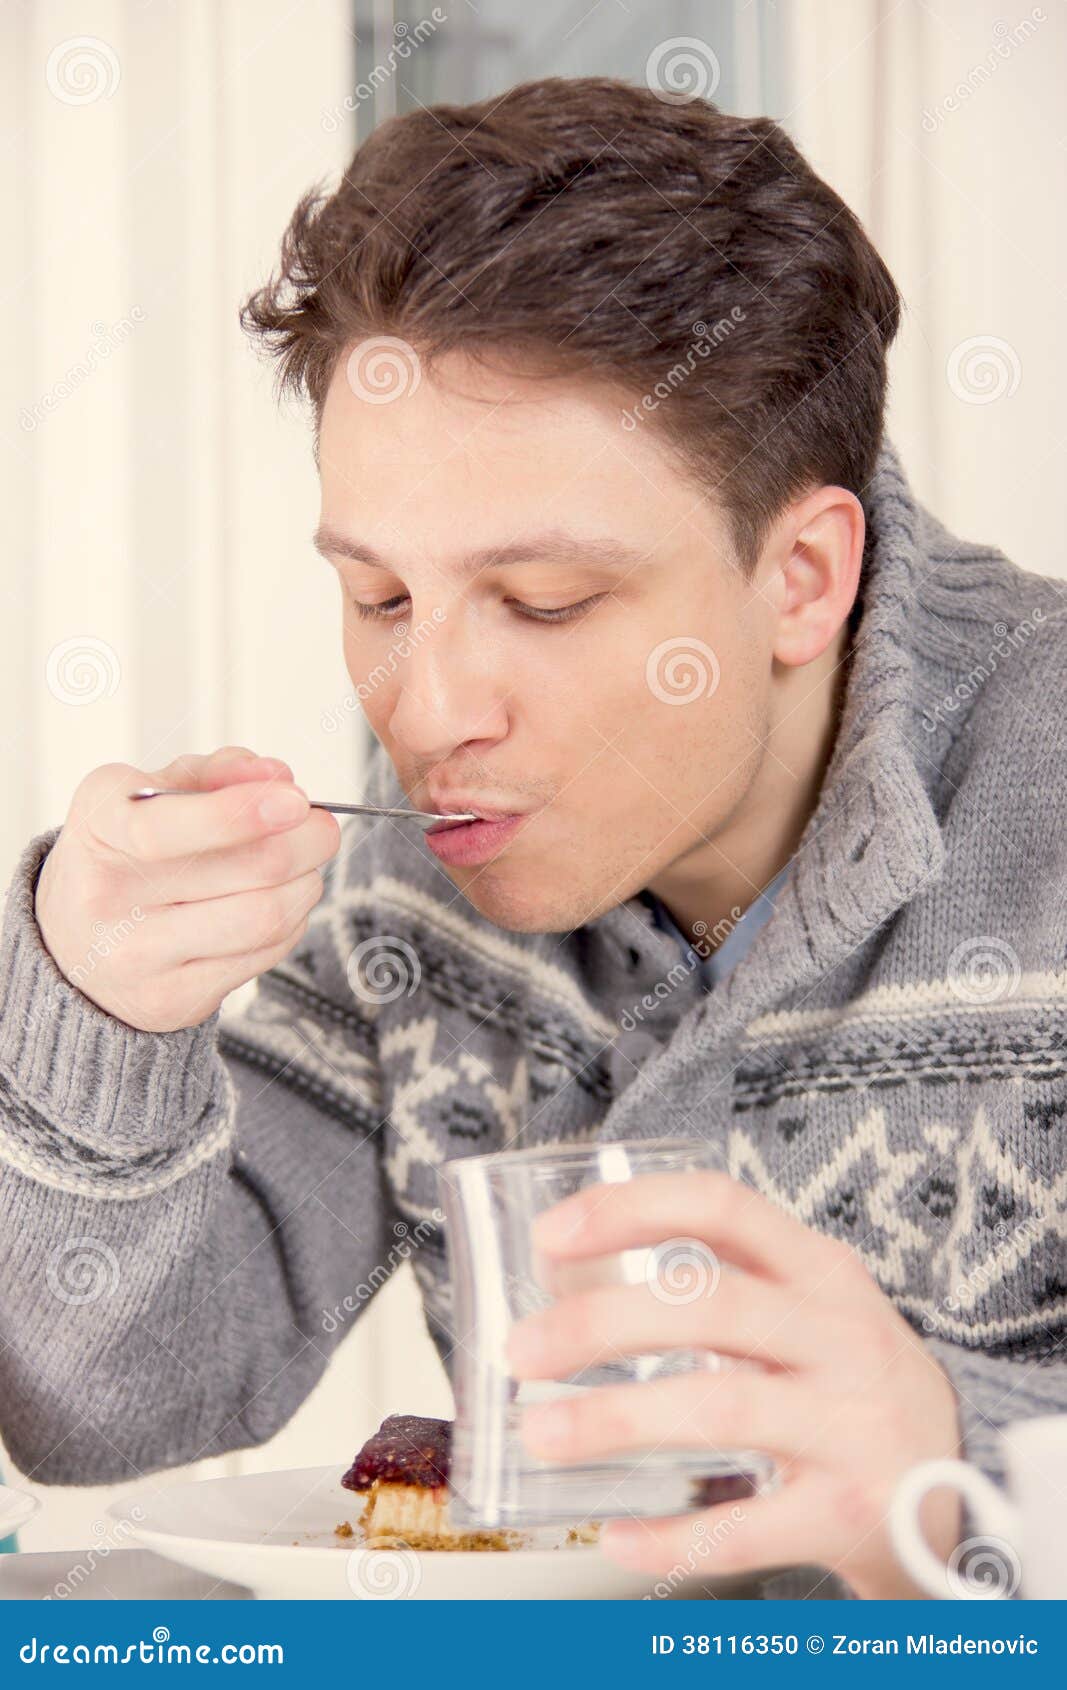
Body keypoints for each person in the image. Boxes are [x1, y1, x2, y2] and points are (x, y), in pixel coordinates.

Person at [1, 77, 1063, 1601]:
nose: (425, 710)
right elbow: (115, 1395)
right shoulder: (417, 883)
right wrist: (93, 1009)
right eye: (378, 597)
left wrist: (956, 1467)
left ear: (804, 577)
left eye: (547, 604)